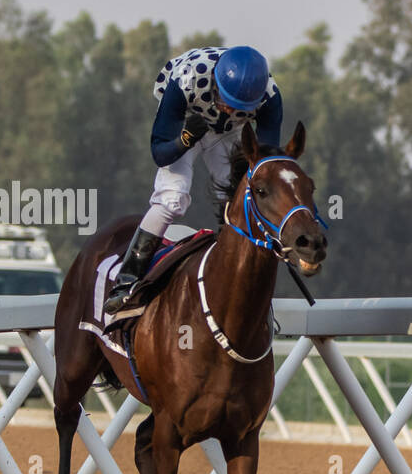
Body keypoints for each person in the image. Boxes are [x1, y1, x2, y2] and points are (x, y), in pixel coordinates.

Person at [103, 45, 282, 313]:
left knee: (238, 199)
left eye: (238, 107)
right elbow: (160, 154)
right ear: (214, 82)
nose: (228, 111)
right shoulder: (187, 78)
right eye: (226, 100)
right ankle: (127, 280)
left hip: (229, 135)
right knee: (172, 198)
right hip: (187, 121)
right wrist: (185, 138)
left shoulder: (269, 97)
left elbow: (266, 164)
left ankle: (236, 278)